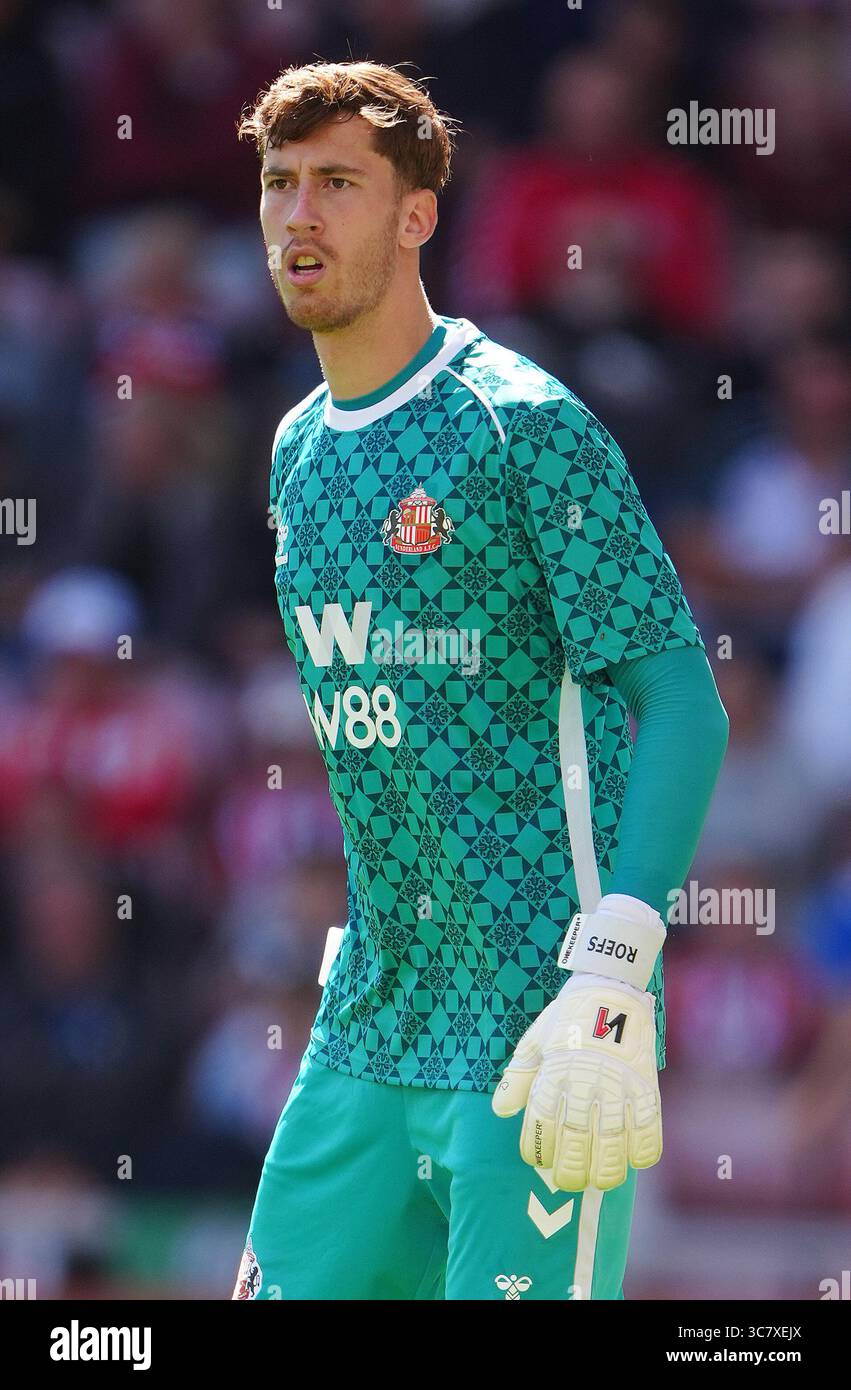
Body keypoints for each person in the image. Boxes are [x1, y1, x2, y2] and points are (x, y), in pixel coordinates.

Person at [232, 60, 728, 1302]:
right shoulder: (295, 453)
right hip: (370, 1015)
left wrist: (614, 968)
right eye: (279, 184)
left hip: (540, 1021)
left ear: (415, 216)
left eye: (336, 184)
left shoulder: (521, 424)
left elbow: (680, 701)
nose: (299, 215)